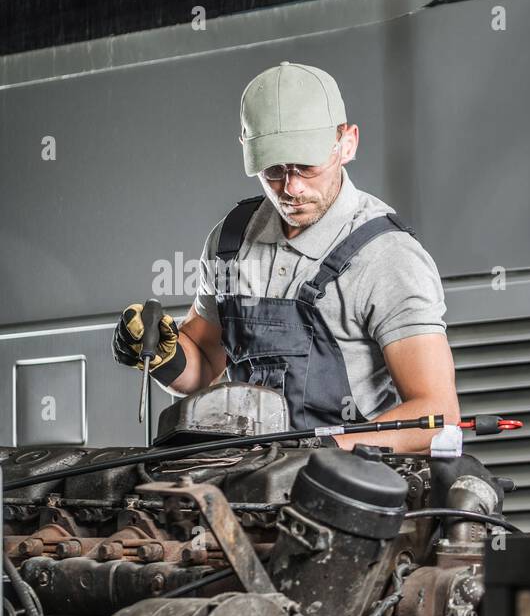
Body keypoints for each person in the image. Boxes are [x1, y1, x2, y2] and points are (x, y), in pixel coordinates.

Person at [112, 61, 458, 452]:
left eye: (306, 168)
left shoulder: (387, 256)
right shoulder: (231, 241)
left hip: (346, 489)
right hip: (244, 482)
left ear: (347, 143)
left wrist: (323, 453)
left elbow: (437, 415)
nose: (290, 187)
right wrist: (164, 354)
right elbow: (207, 365)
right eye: (274, 170)